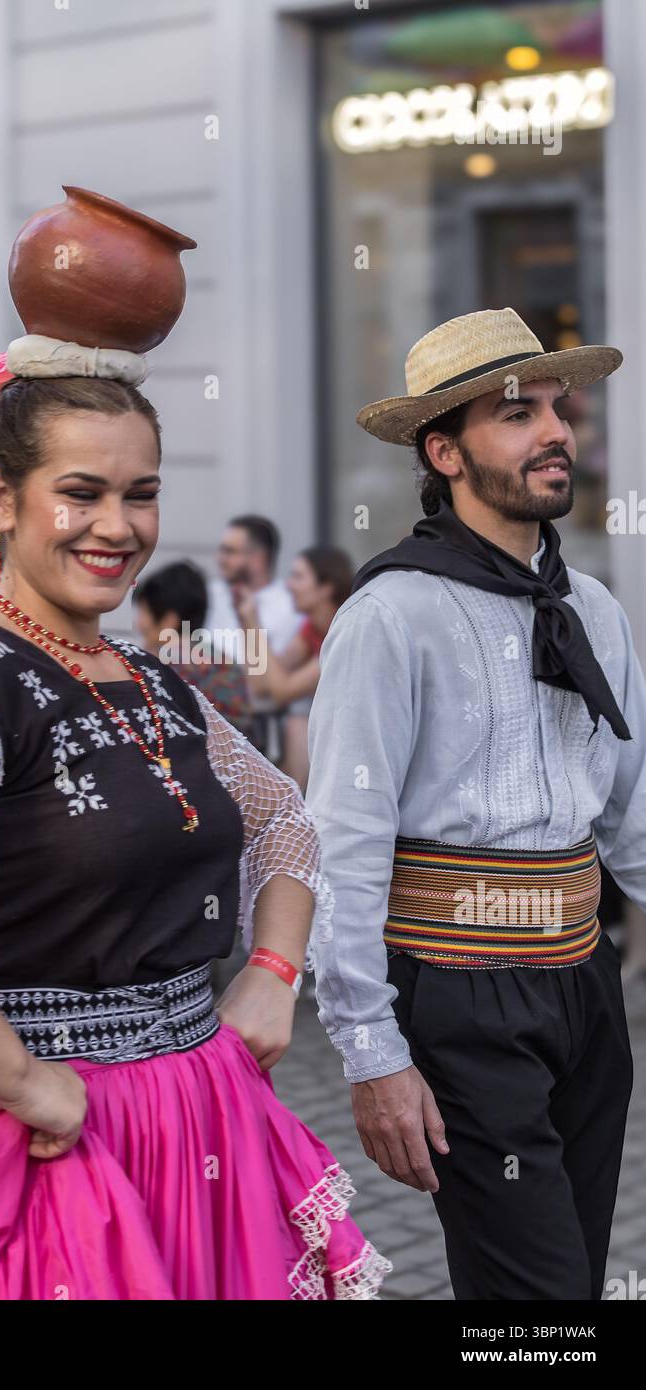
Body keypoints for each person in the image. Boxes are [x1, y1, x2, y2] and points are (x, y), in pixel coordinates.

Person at [0, 255, 391, 1299]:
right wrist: (22, 1075)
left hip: (200, 1106)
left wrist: (273, 972)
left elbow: (284, 822)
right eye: (80, 492)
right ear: (0, 495)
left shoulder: (149, 676)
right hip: (48, 1136)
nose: (115, 525)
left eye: (140, 494)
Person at [305, 307, 641, 1301]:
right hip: (457, 991)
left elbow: (627, 810)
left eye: (555, 406)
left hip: (584, 984)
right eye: (513, 413)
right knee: (531, 1297)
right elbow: (343, 842)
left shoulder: (593, 607)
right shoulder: (388, 614)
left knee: (571, 1280)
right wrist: (370, 1052)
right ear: (443, 450)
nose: (553, 431)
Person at [234, 546, 353, 789]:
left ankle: (298, 803)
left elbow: (282, 691)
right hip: (330, 744)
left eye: (298, 577)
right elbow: (261, 684)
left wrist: (255, 623)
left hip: (352, 749)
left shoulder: (343, 632)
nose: (288, 585)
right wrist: (247, 622)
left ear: (325, 588)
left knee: (298, 712)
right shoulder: (312, 627)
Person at [133, 560, 252, 732]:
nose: (138, 624)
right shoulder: (225, 662)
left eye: (144, 612)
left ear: (169, 620)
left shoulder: (162, 668)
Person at [206, 515, 302, 664]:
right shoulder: (209, 594)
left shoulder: (291, 607)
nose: (220, 558)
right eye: (221, 550)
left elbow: (272, 677)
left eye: (230, 551)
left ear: (258, 558)